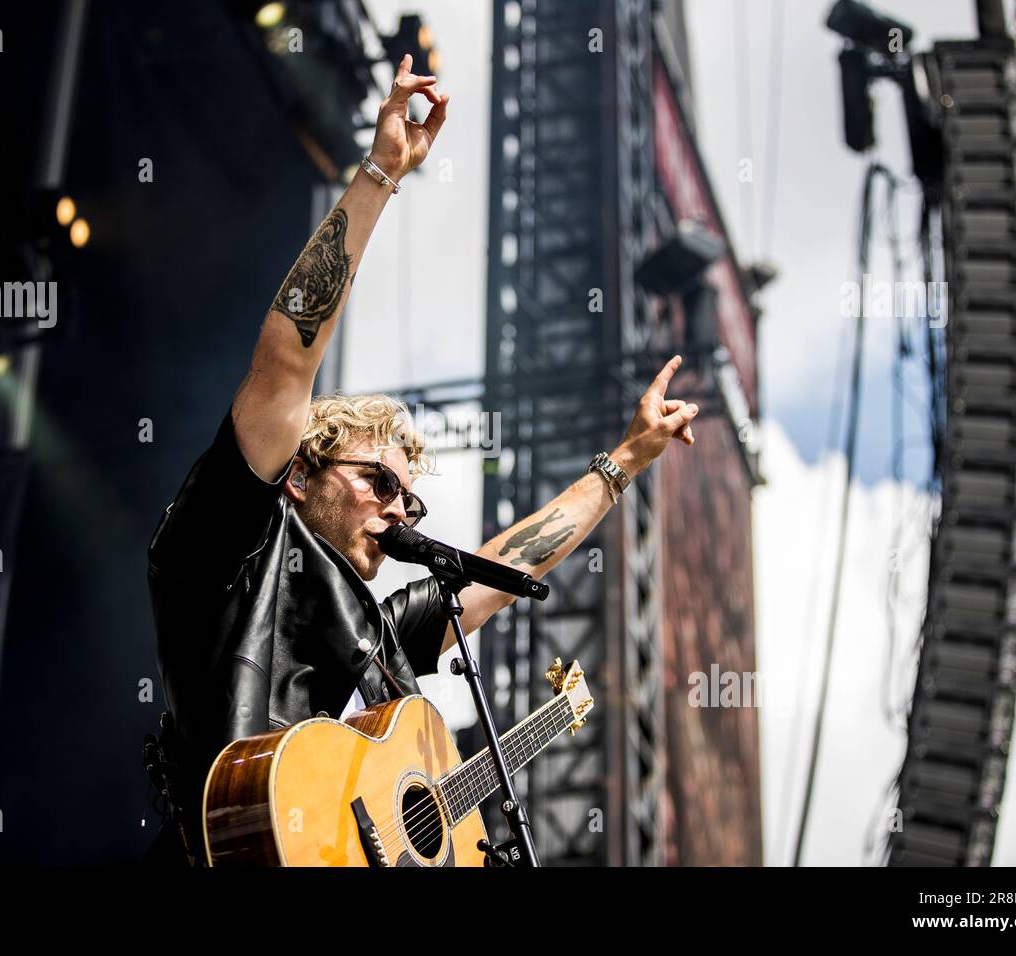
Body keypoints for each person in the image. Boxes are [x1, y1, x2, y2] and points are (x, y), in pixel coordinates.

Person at [142, 55, 699, 865]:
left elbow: (505, 564)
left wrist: (626, 459)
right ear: (298, 475)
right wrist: (381, 172)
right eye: (380, 483)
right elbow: (286, 362)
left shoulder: (375, 634)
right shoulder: (231, 545)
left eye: (412, 501)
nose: (401, 511)